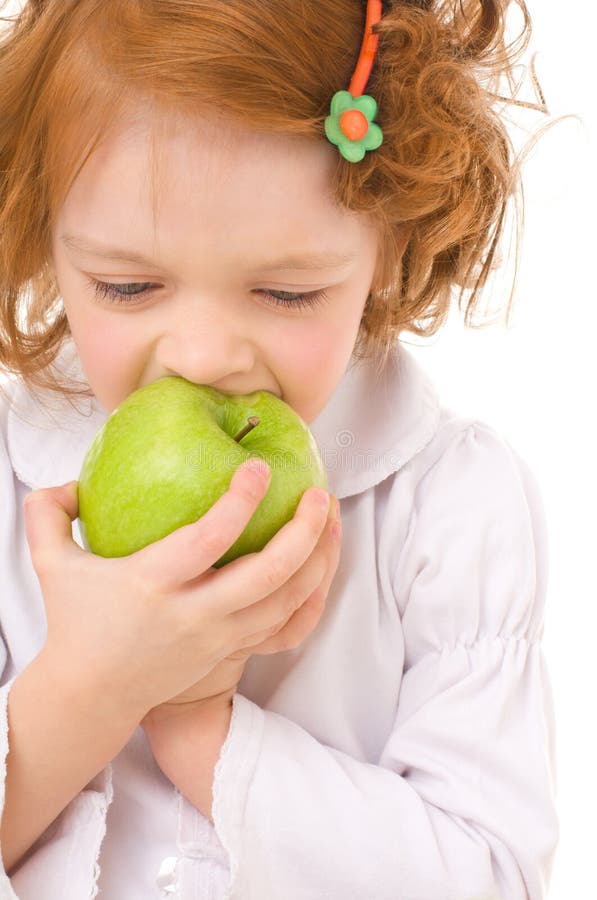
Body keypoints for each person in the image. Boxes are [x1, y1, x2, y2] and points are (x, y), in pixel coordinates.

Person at [0, 0, 558, 898]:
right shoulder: (10, 477)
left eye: (287, 293)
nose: (204, 356)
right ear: (45, 239)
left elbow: (488, 876)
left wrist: (201, 726)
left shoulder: (448, 507)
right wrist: (97, 681)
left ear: (391, 246)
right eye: (128, 285)